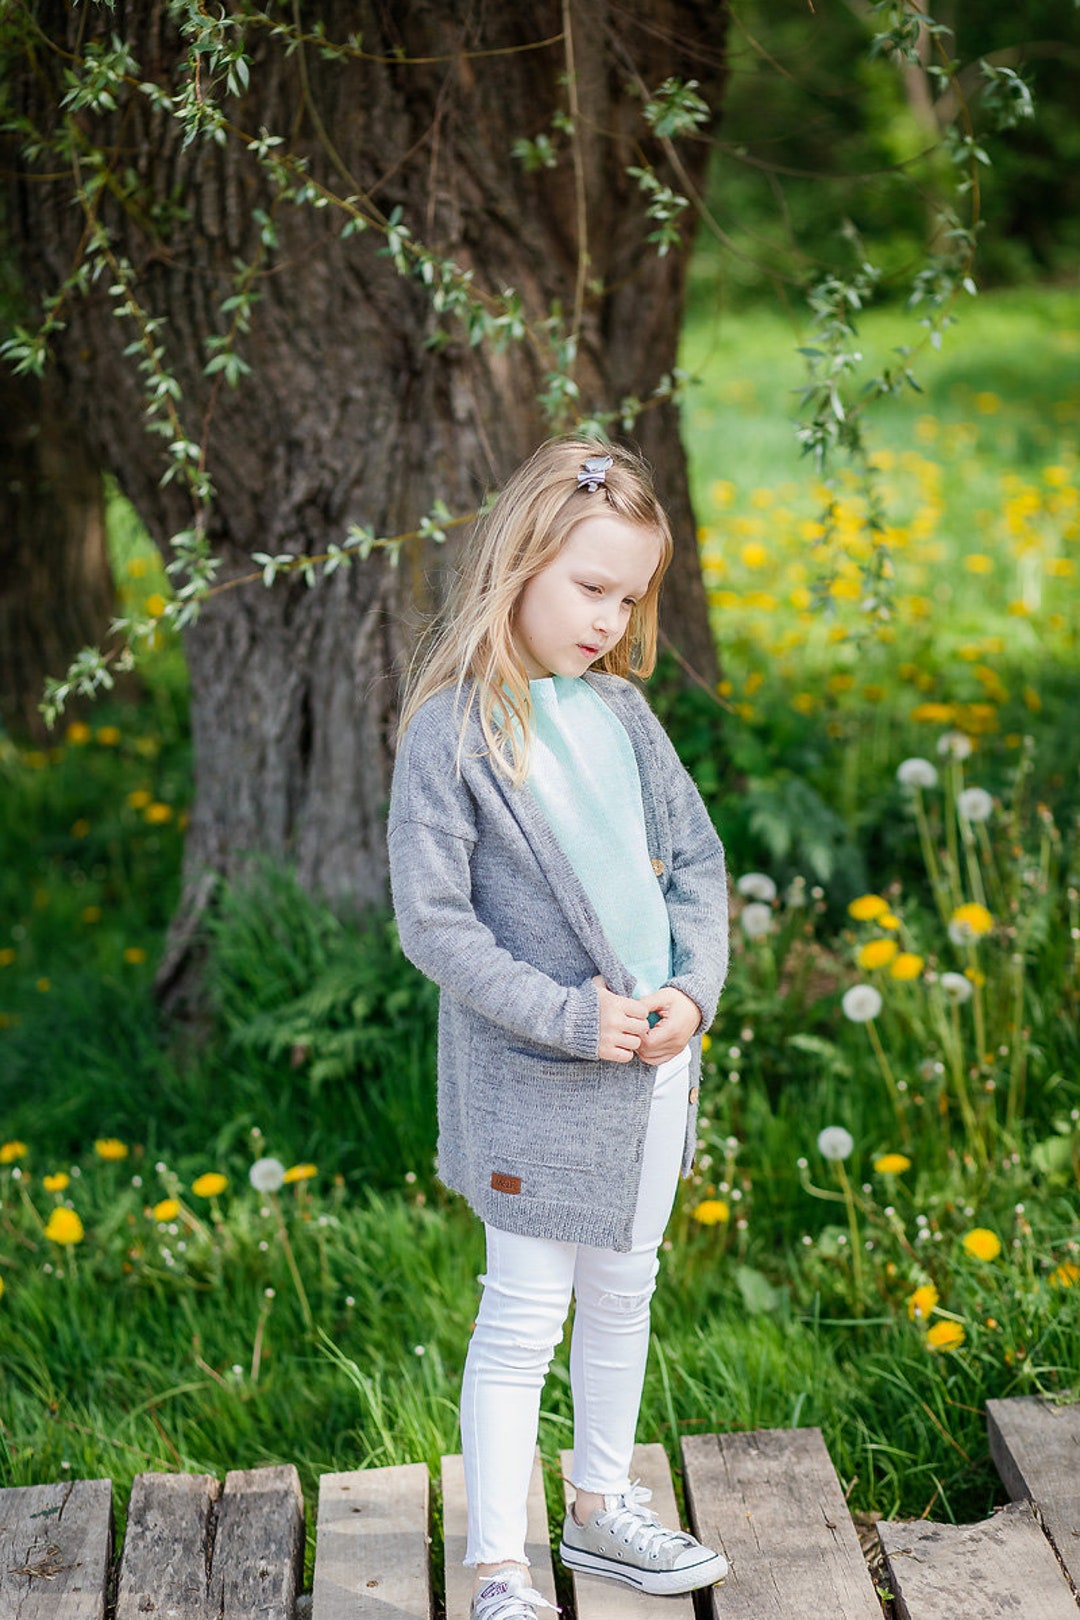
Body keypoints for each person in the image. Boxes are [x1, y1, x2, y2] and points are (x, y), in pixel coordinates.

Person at [388, 438, 730, 1620]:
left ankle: (597, 1510)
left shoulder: (625, 716)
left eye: (629, 597)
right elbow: (435, 926)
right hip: (540, 1079)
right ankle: (498, 1566)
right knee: (523, 1314)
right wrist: (570, 1019)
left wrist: (694, 992)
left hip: (651, 1072)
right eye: (590, 587)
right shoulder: (454, 733)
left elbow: (695, 862)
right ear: (521, 559)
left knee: (624, 1290)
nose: (609, 618)